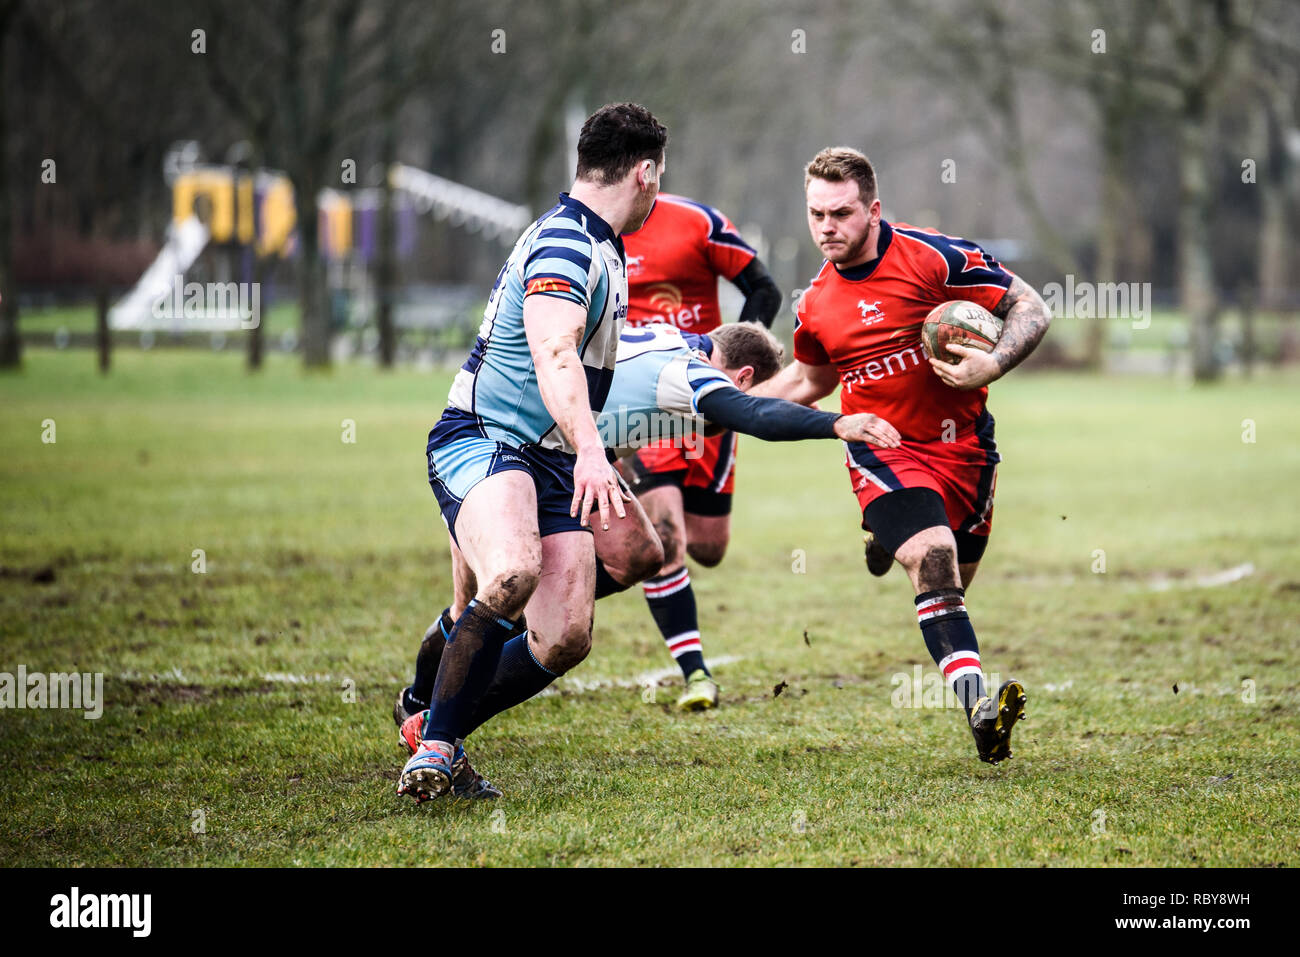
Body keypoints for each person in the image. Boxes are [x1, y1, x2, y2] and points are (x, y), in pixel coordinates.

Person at [395, 322, 901, 791]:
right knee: (482, 602)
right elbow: (751, 413)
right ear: (742, 375)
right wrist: (836, 424)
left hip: (559, 456)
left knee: (639, 552)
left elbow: (610, 406)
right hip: (499, 451)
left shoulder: (672, 337)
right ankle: (433, 721)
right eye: (742, 389)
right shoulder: (687, 372)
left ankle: (434, 709)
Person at [396, 103, 668, 803]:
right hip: (484, 439)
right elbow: (552, 353)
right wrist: (590, 451)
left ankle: (437, 715)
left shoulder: (601, 242)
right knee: (515, 570)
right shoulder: (567, 244)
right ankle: (435, 746)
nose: (658, 189)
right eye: (659, 177)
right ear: (644, 172)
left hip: (544, 454)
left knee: (567, 632)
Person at [761, 147, 1051, 764]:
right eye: (816, 214)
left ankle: (885, 539)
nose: (826, 228)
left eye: (840, 213)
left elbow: (1031, 307)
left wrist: (992, 363)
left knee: (953, 584)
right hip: (883, 450)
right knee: (933, 556)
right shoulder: (815, 303)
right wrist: (724, 403)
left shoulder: (934, 258)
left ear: (873, 208)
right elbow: (809, 381)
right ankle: (980, 710)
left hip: (965, 449)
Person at [621, 194, 782, 709]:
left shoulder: (696, 223)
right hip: (645, 404)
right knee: (666, 534)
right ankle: (697, 675)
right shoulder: (592, 234)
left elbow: (763, 288)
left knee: (708, 547)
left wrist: (739, 363)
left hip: (706, 397)